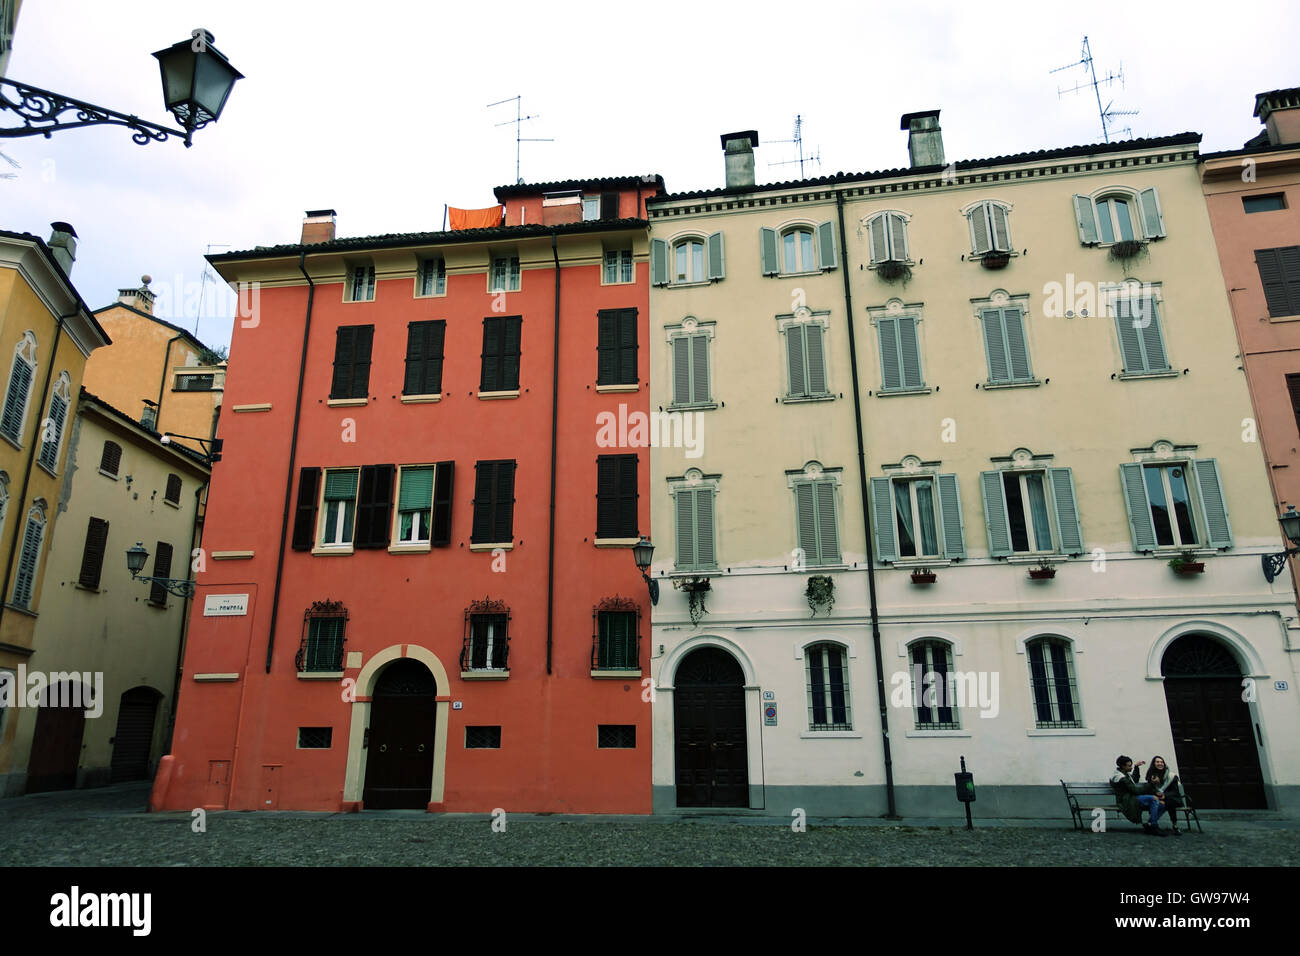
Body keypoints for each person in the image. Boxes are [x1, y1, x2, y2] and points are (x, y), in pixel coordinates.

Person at [1110, 755, 1166, 835]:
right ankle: (1154, 826)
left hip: (1132, 797)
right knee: (1154, 799)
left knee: (1162, 805)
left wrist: (1136, 767)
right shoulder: (1121, 778)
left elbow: (1134, 780)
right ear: (1123, 766)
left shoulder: (1124, 773)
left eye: (1132, 765)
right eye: (1129, 766)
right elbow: (1136, 790)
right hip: (1127, 801)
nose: (1131, 767)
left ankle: (1150, 824)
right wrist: (1151, 783)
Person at [1145, 755, 1184, 837]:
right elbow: (1150, 790)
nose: (1160, 763)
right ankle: (1152, 824)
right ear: (1154, 764)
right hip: (1158, 798)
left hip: (1172, 798)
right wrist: (1153, 783)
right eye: (1157, 762)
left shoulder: (1171, 776)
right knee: (1159, 803)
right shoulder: (1151, 775)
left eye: (1162, 762)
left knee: (1168, 803)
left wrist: (1164, 796)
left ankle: (1174, 825)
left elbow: (1175, 792)